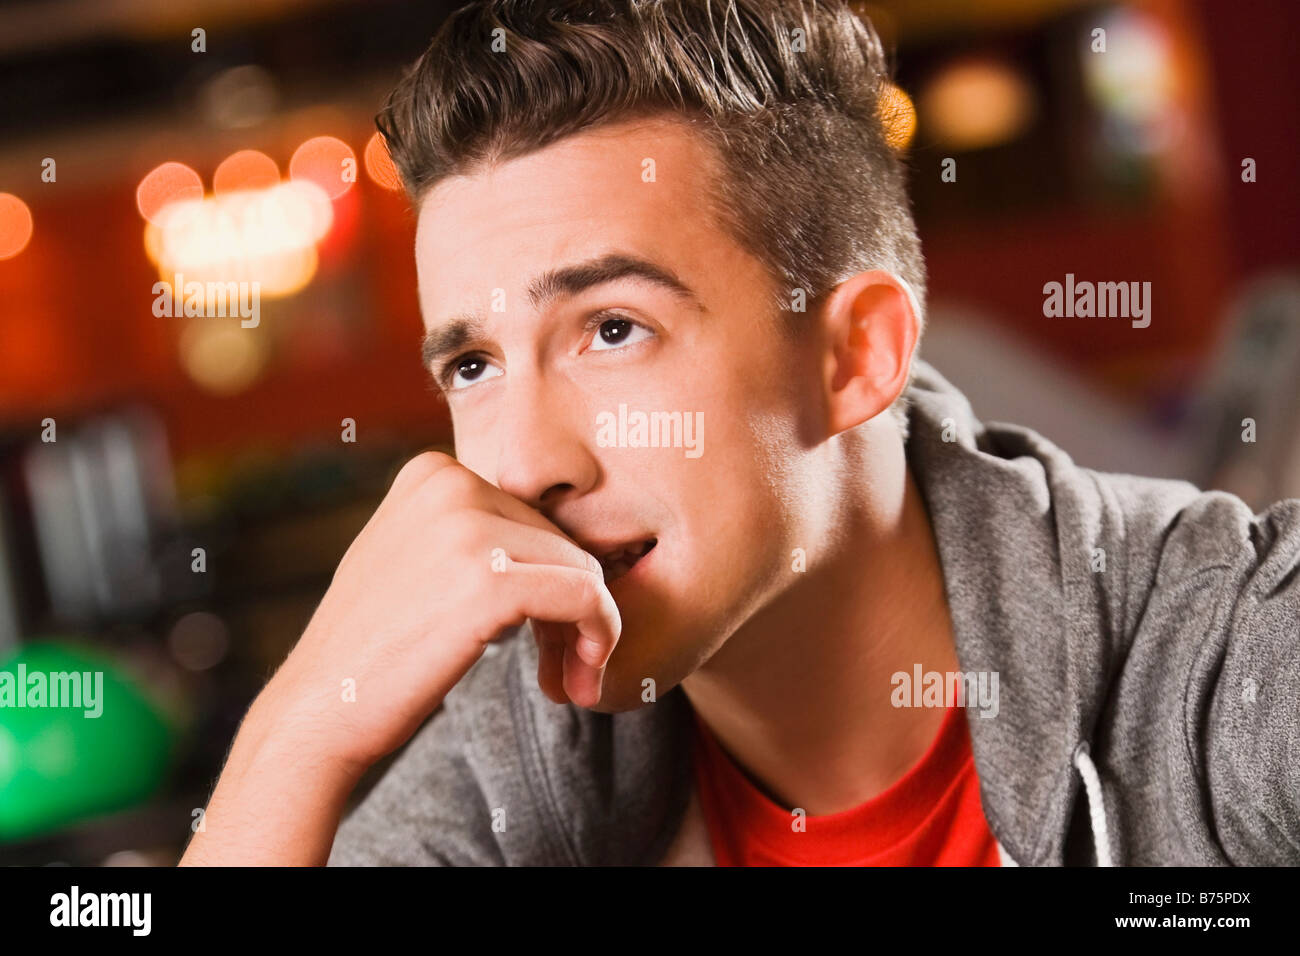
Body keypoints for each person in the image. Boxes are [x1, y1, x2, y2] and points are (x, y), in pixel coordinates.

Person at [179, 0, 1300, 867]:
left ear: (855, 354)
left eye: (611, 328)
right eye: (473, 365)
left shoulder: (1214, 661)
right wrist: (296, 735)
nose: (521, 464)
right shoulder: (499, 763)